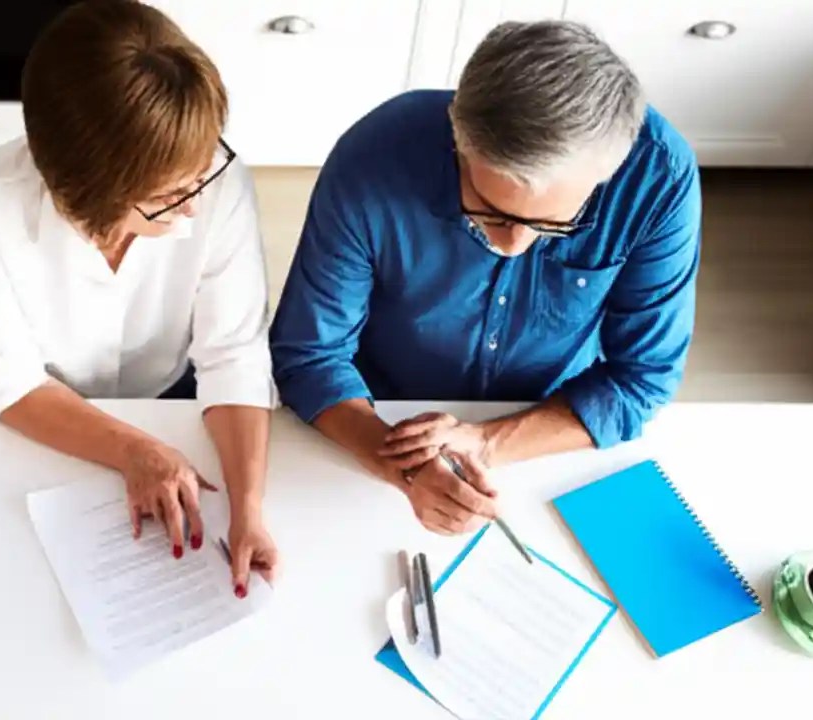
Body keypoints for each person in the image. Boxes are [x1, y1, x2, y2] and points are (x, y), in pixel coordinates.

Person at [269, 21, 701, 536]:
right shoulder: (373, 158)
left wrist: (486, 442)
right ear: (458, 139)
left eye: (553, 226)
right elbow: (307, 353)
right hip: (374, 410)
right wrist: (400, 461)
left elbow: (642, 379)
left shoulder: (659, 176)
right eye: (490, 213)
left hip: (547, 427)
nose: (512, 244)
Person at [0, 0, 277, 596]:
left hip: (167, 386)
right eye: (169, 196)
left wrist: (248, 508)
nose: (195, 204)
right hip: (38, 398)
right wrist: (135, 451)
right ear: (87, 191)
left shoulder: (219, 183)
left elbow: (234, 356)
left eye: (200, 175)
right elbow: (8, 379)